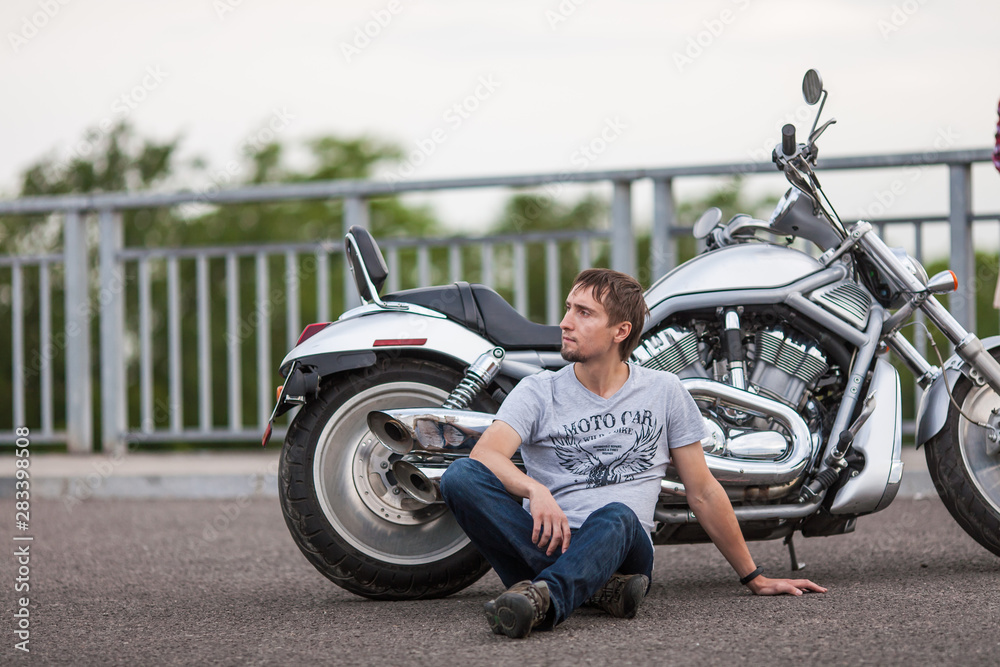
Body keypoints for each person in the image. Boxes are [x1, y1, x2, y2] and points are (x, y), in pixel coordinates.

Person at [439, 268, 826, 639]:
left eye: (584, 313)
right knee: (460, 477)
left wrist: (753, 576)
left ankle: (546, 597)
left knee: (618, 515)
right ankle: (596, 589)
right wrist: (535, 491)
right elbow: (487, 455)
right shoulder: (539, 390)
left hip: (623, 545)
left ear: (620, 331)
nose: (565, 322)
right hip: (545, 540)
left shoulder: (664, 390)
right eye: (568, 308)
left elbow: (703, 491)